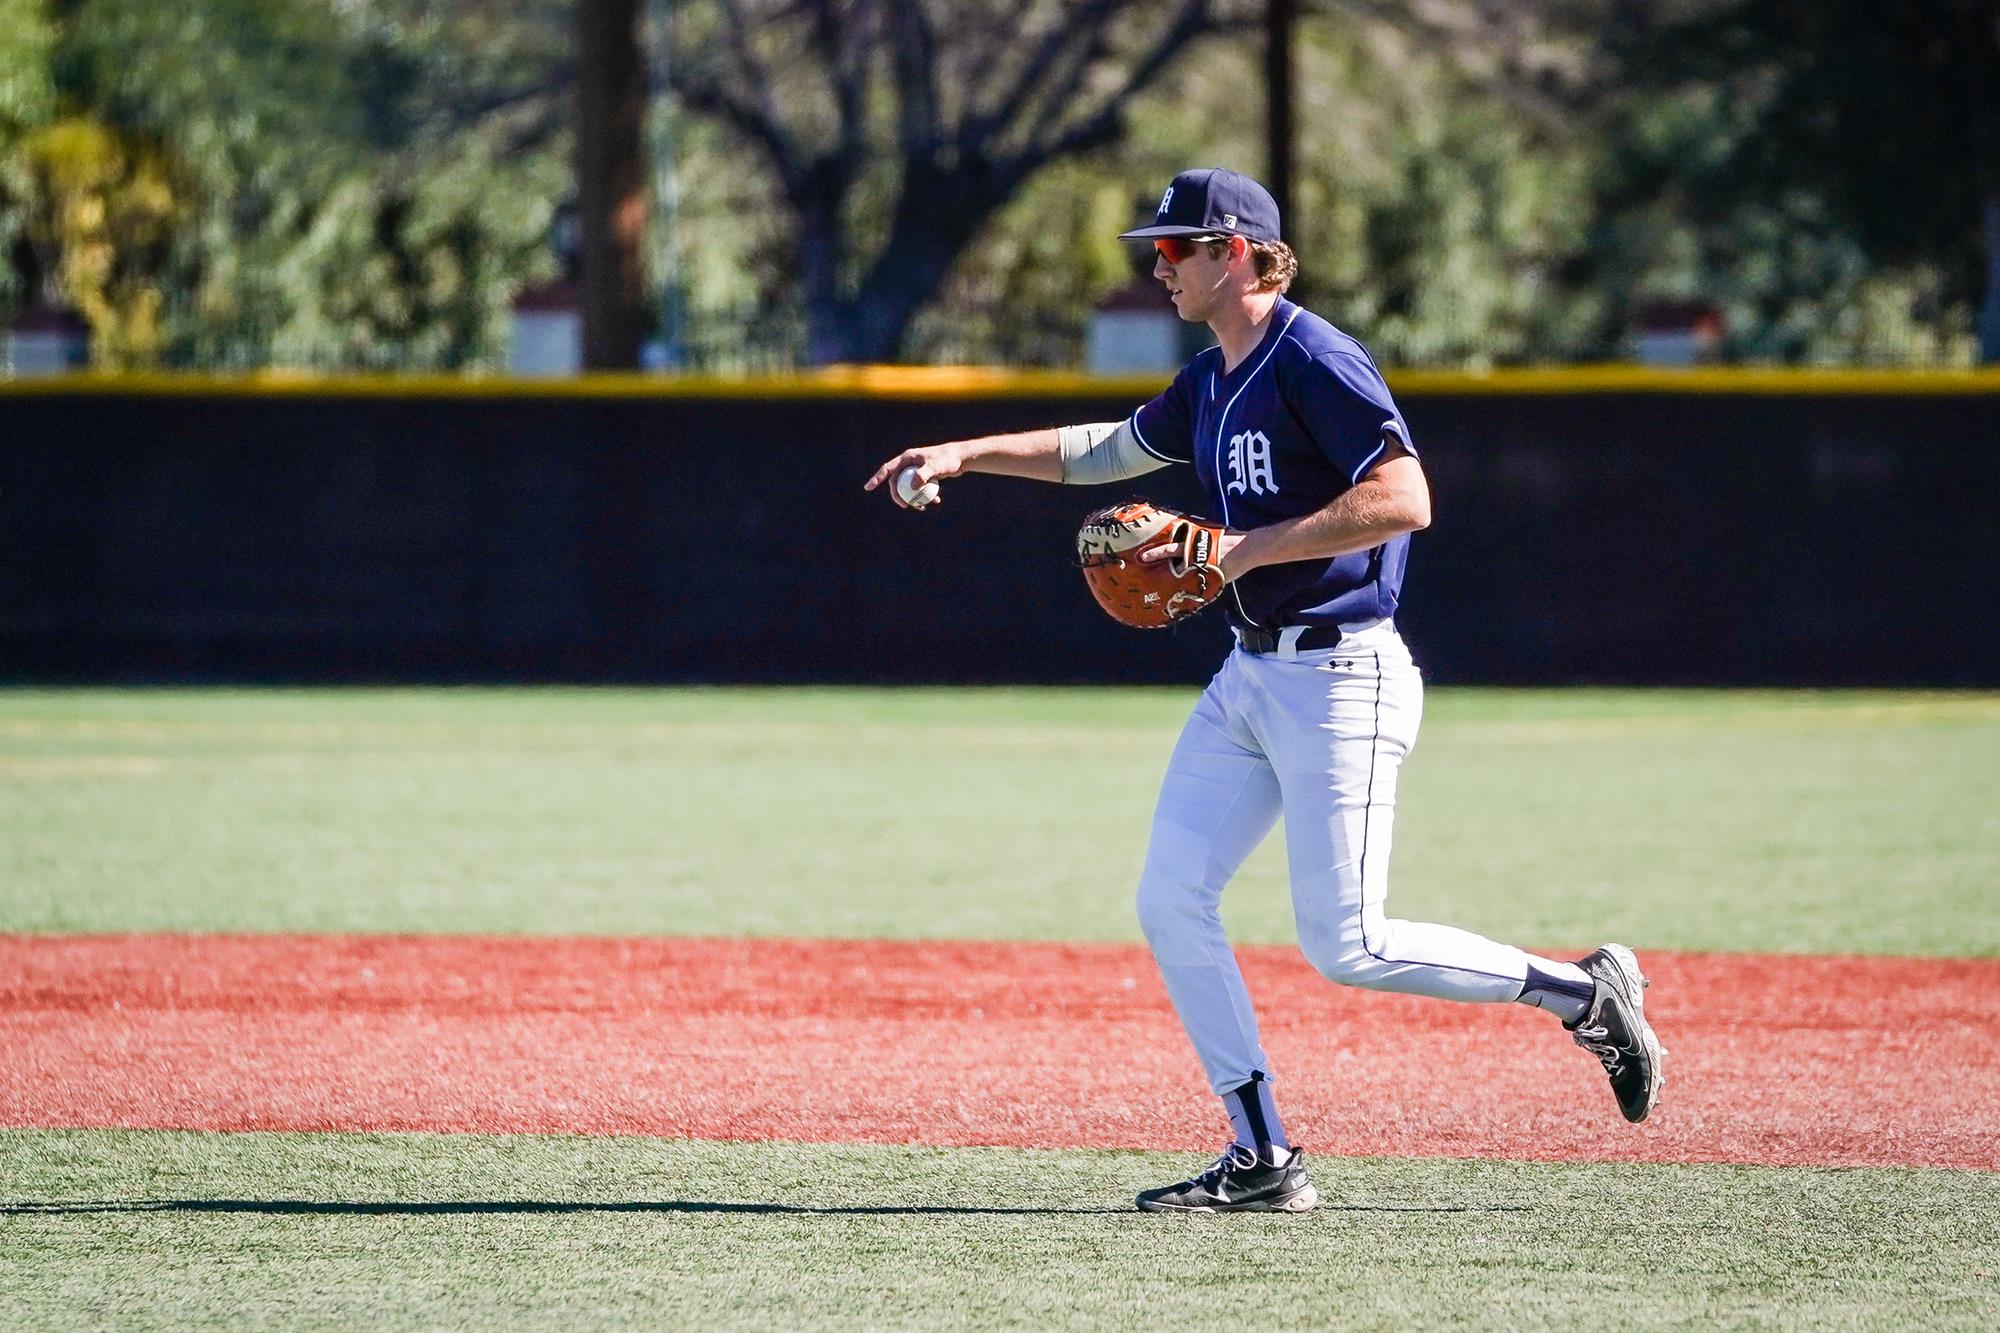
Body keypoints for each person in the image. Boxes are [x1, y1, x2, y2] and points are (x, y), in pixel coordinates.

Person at [865, 167, 1663, 1214]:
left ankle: (1580, 994)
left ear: (1234, 252)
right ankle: (1261, 1155)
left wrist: (1240, 549)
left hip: (1342, 674)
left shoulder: (1312, 357)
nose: (1158, 263)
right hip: (1249, 673)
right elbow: (1105, 449)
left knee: (1350, 943)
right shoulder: (1210, 375)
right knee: (1168, 898)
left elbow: (1404, 495)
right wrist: (966, 452)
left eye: (1175, 247)